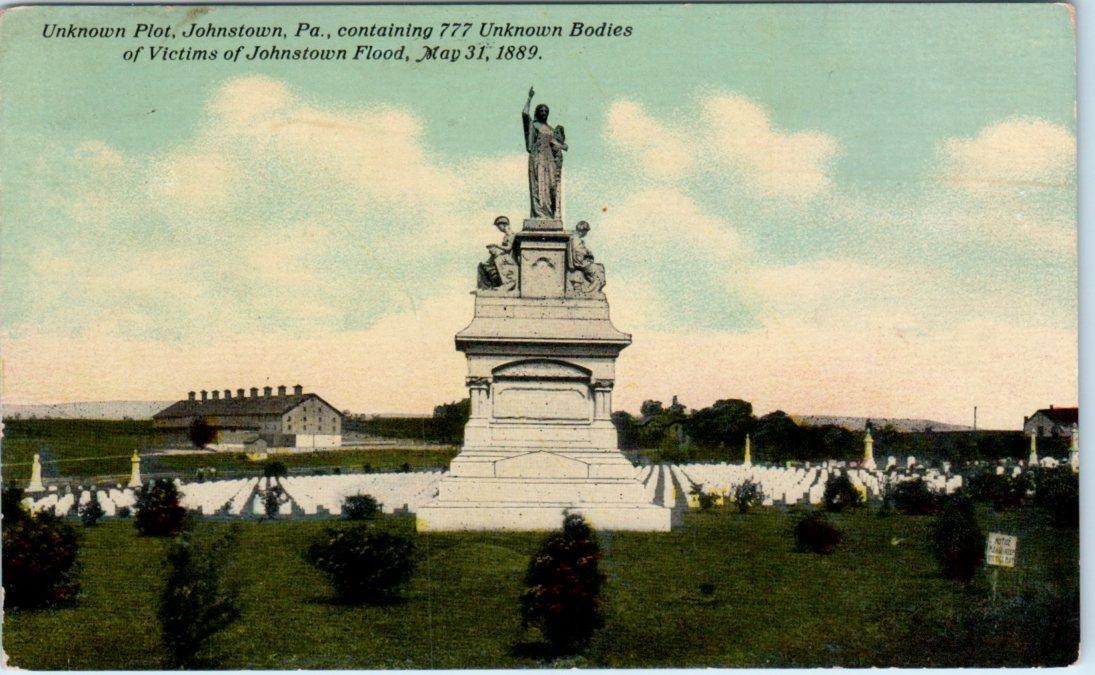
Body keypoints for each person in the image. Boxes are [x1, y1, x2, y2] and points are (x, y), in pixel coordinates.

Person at [522, 87, 568, 219]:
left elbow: (556, 146)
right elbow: (525, 114)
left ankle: (549, 214)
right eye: (541, 110)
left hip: (550, 161)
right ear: (537, 112)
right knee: (538, 185)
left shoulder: (551, 129)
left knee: (550, 186)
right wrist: (529, 98)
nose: (543, 112)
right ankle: (539, 214)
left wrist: (562, 146)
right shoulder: (534, 125)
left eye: (546, 111)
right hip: (537, 158)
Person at [477, 216, 517, 291]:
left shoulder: (511, 234)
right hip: (504, 256)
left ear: (504, 225)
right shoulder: (506, 235)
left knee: (497, 258)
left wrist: (496, 245)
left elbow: (509, 248)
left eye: (499, 226)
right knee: (485, 265)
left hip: (509, 258)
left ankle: (507, 283)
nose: (499, 228)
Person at [567, 220, 606, 294]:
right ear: (583, 230)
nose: (586, 234)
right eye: (586, 231)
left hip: (582, 263)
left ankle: (592, 290)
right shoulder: (576, 240)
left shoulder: (575, 239)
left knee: (600, 267)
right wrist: (588, 255)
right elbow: (579, 254)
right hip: (582, 264)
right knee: (599, 270)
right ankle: (590, 291)